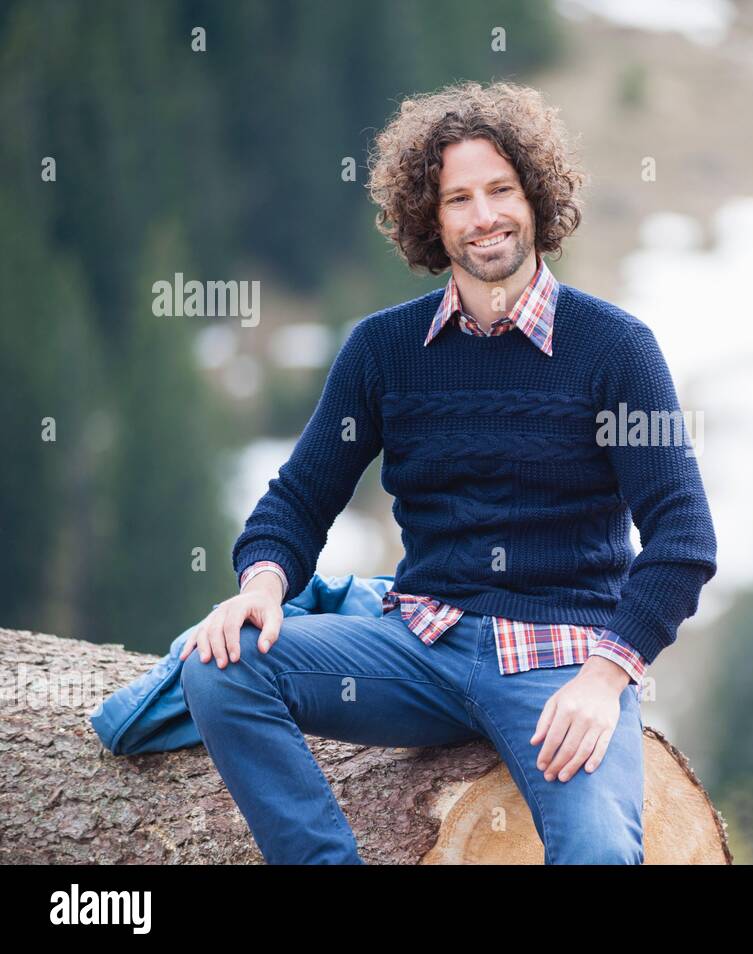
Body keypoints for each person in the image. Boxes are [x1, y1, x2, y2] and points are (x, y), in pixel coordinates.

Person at [178, 80, 718, 864]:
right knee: (218, 668)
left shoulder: (615, 350)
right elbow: (298, 499)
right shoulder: (383, 350)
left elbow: (684, 538)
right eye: (458, 199)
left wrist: (607, 677)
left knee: (600, 853)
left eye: (501, 190)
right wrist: (261, 586)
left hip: (561, 664)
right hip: (420, 650)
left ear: (536, 198)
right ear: (430, 220)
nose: (484, 215)